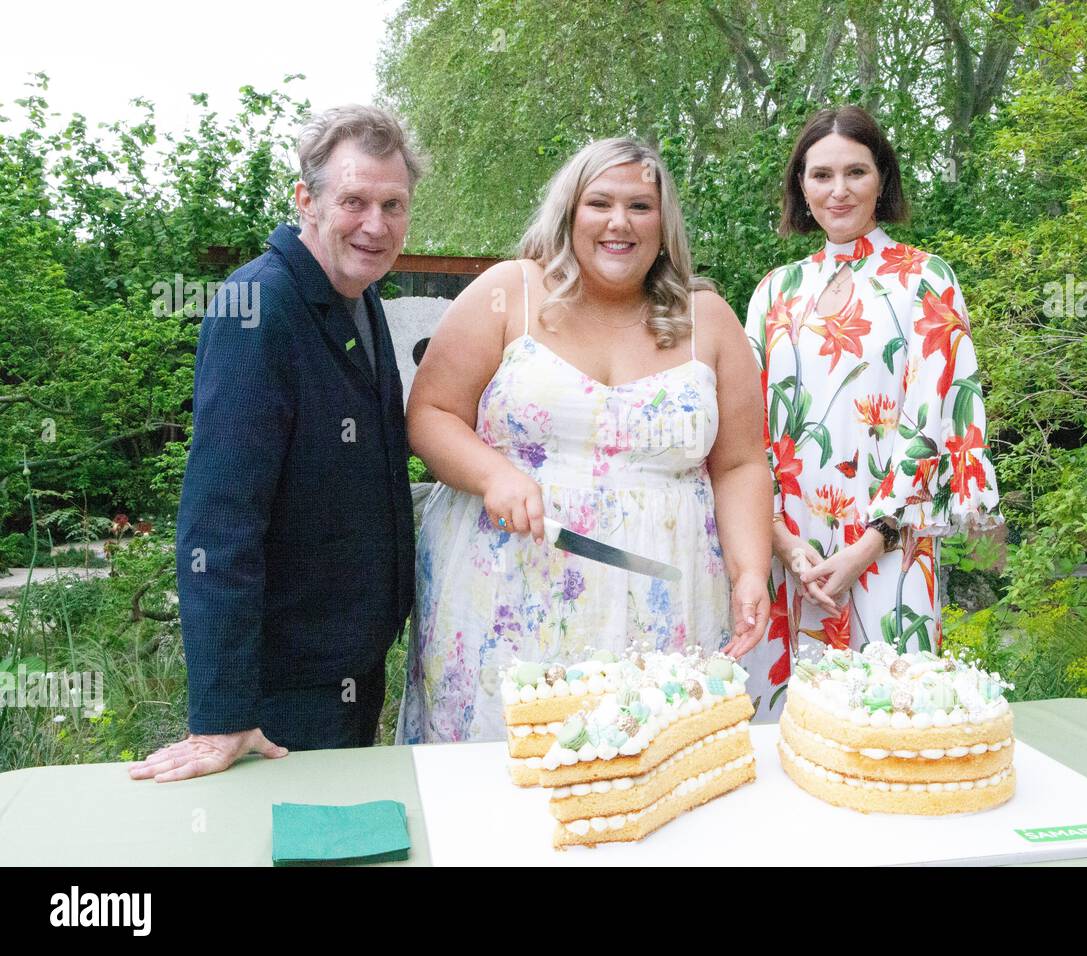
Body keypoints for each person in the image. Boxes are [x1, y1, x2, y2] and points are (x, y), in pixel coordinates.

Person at [397, 137, 770, 743]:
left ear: (663, 222)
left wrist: (750, 567)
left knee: (647, 774)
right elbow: (432, 414)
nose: (619, 222)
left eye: (640, 206)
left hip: (666, 596)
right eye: (600, 203)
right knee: (503, 771)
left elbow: (740, 465)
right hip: (507, 587)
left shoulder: (710, 319)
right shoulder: (507, 292)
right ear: (570, 212)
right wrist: (493, 474)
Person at [129, 105, 424, 782]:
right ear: (306, 201)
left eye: (393, 204)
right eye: (354, 201)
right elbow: (219, 522)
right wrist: (224, 712)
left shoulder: (358, 294)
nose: (375, 225)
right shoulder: (258, 307)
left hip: (347, 667)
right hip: (280, 697)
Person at [744, 106, 1003, 719]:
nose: (838, 191)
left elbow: (935, 422)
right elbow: (744, 432)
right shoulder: (774, 292)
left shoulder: (923, 280)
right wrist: (782, 542)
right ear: (800, 188)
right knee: (793, 732)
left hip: (891, 549)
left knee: (892, 724)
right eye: (821, 175)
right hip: (791, 554)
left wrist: (869, 544)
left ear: (881, 179)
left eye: (855, 172)